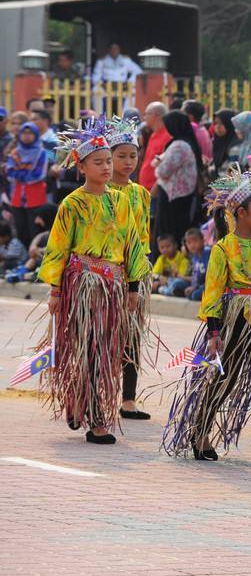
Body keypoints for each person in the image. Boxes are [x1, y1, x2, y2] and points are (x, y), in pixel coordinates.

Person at [161, 169, 251, 468]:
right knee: (226, 378)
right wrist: (214, 331)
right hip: (236, 320)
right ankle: (199, 432)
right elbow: (212, 293)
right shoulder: (223, 249)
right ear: (240, 212)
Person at [38, 117, 149, 444]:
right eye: (98, 162)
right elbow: (57, 248)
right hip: (82, 286)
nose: (105, 167)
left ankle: (93, 410)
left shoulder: (122, 201)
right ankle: (87, 409)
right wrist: (56, 290)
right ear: (81, 166)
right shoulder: (72, 204)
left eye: (106, 161)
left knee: (108, 351)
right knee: (86, 348)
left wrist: (132, 287)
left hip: (115, 285)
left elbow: (132, 246)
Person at [105, 116, 153, 420]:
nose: (127, 161)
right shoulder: (100, 192)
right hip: (105, 273)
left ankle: (129, 400)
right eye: (120, 156)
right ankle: (93, 395)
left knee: (132, 335)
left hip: (136, 272)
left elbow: (144, 235)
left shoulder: (141, 194)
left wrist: (142, 272)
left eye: (132, 155)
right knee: (102, 334)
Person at [155, 110, 202, 243]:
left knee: (169, 234)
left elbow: (163, 171)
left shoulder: (179, 146)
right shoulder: (184, 142)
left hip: (174, 198)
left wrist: (158, 165)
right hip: (179, 196)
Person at [6, 122, 49, 248]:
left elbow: (39, 174)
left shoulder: (41, 152)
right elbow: (9, 172)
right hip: (17, 198)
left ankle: (34, 260)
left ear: (36, 135)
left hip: (36, 198)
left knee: (35, 230)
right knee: (20, 231)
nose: (27, 136)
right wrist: (25, 172)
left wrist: (20, 173)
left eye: (30, 133)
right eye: (24, 133)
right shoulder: (14, 153)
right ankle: (24, 260)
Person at [139, 102, 170, 191]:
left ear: (155, 115)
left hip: (156, 190)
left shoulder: (167, 136)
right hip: (146, 189)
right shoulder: (153, 134)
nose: (144, 118)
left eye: (146, 114)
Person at [210, 108, 240, 174]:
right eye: (215, 123)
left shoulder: (236, 147)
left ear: (230, 124)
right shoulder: (216, 141)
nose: (218, 126)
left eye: (222, 123)